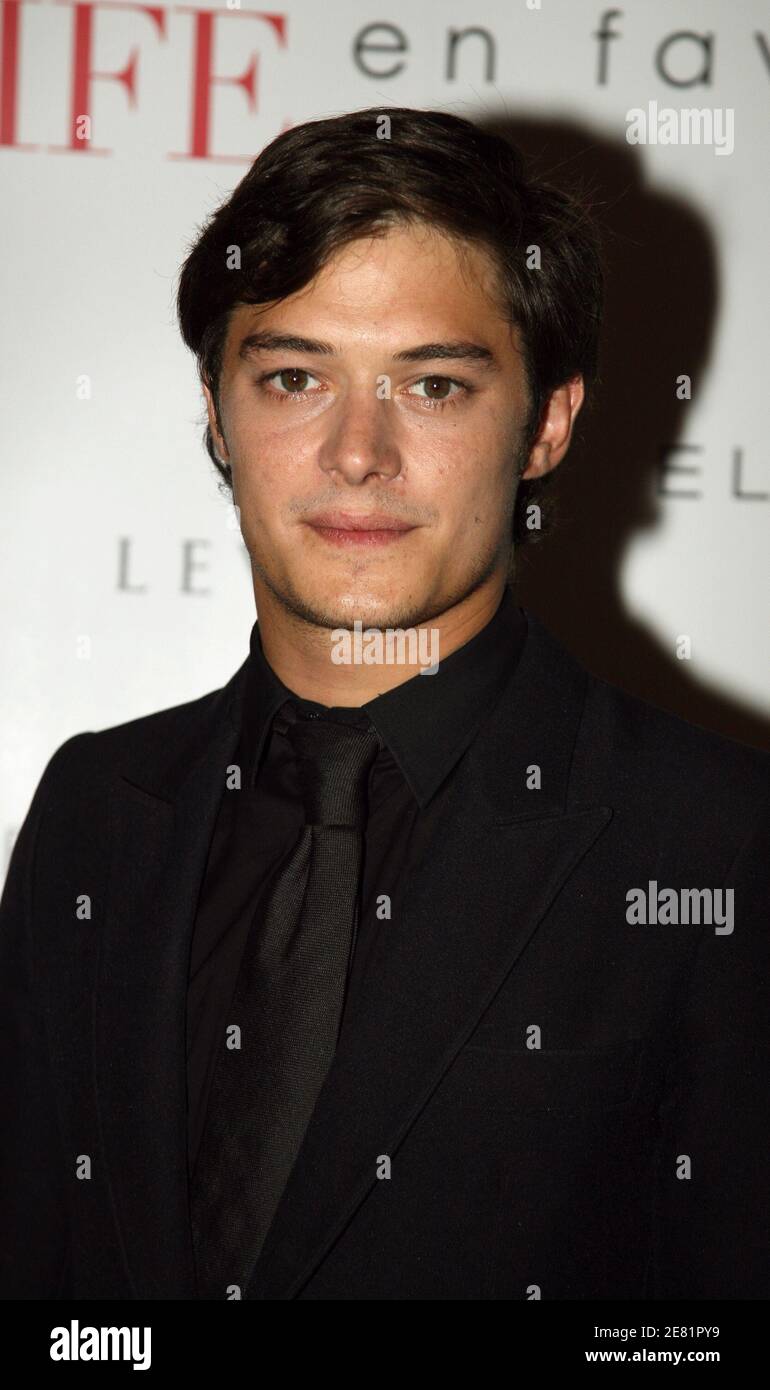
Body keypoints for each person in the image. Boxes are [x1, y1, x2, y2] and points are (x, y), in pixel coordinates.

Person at [1, 107, 768, 1301]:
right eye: (295, 377)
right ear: (216, 412)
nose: (356, 452)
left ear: (546, 423)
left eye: (433, 386)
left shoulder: (716, 835)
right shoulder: (96, 808)